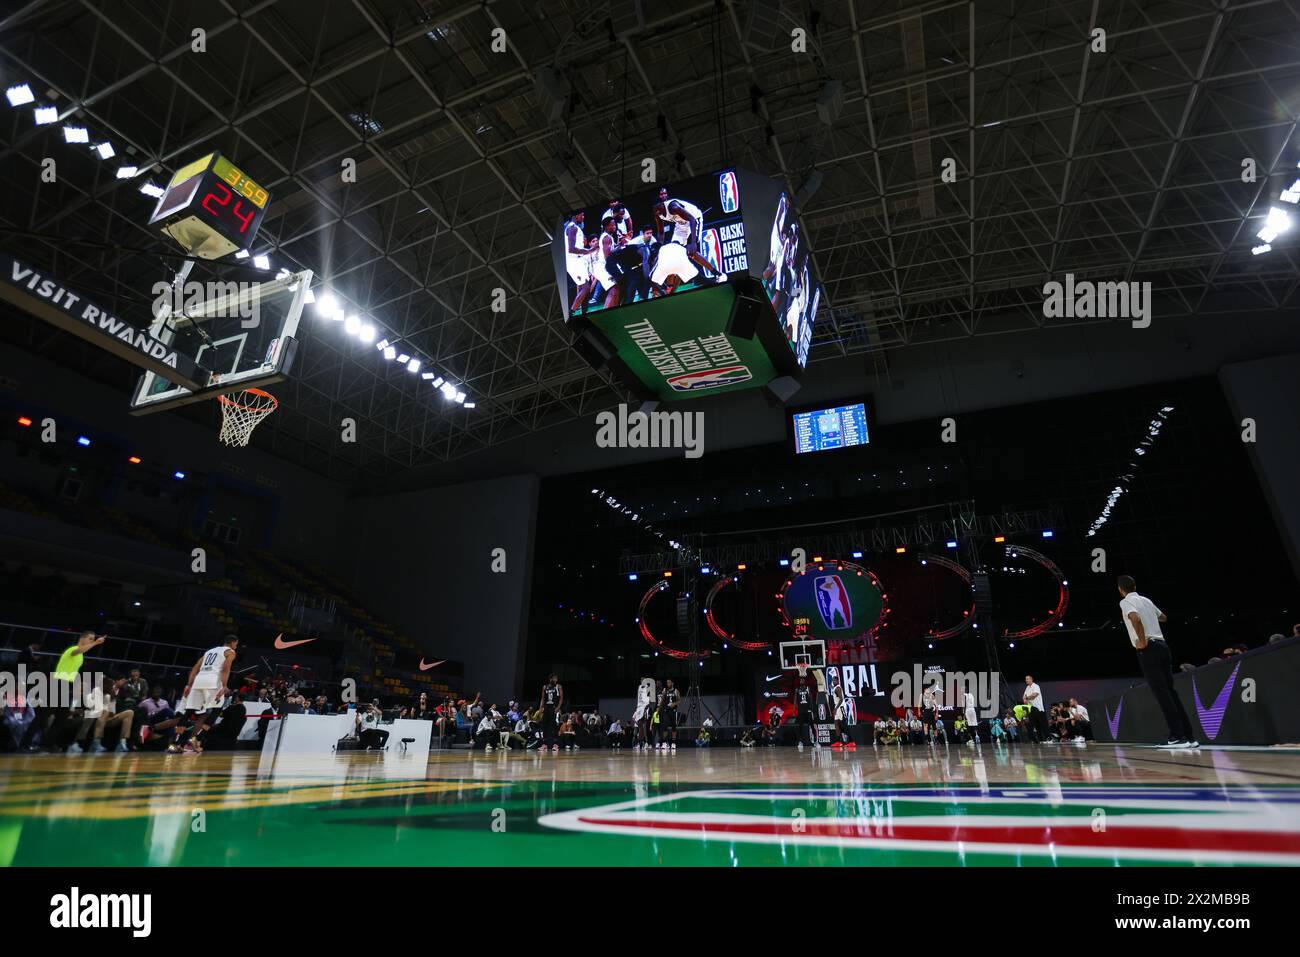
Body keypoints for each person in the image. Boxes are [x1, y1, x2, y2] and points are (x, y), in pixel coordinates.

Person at [1117, 575, 1198, 748]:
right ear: (1135, 586)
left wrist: (1142, 640)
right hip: (1162, 646)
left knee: (1162, 694)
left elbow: (1135, 618)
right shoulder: (1146, 600)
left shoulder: (1125, 602)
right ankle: (1189, 737)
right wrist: (1151, 618)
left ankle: (1177, 736)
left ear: (1121, 589)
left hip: (1149, 649)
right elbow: (1163, 617)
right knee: (1170, 692)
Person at [169, 635, 238, 754]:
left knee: (189, 712)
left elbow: (195, 668)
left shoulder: (210, 651)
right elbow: (225, 669)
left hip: (198, 681)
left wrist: (189, 685)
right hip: (213, 681)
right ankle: (196, 739)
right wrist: (224, 686)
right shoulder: (230, 652)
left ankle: (175, 744)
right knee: (216, 710)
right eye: (236, 644)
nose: (236, 646)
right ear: (232, 643)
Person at [70, 676, 133, 753]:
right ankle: (96, 742)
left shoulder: (109, 696)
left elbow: (112, 713)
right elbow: (97, 709)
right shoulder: (96, 690)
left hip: (105, 718)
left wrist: (112, 700)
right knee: (103, 711)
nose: (111, 688)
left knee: (130, 712)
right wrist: (107, 711)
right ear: (104, 685)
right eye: (110, 686)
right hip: (94, 716)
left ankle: (122, 743)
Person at [793, 676, 818, 750]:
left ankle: (816, 741)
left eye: (803, 680)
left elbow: (811, 698)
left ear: (805, 681)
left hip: (808, 710)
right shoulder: (797, 689)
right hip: (801, 710)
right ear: (799, 682)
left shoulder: (808, 688)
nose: (802, 681)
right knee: (800, 726)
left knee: (811, 725)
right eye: (800, 680)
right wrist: (794, 709)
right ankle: (800, 741)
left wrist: (812, 709)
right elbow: (795, 700)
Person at [540, 674, 563, 753]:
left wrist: (558, 708)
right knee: (544, 726)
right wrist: (541, 708)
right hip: (547, 708)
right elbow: (542, 698)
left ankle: (555, 745)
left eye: (556, 678)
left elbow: (561, 699)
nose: (556, 680)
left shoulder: (558, 687)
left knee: (555, 726)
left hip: (554, 708)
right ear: (550, 679)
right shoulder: (545, 687)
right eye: (554, 678)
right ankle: (544, 745)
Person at [1022, 675, 1049, 744]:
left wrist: (1027, 698)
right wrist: (1026, 698)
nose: (1026, 680)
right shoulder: (1027, 688)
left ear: (1031, 679)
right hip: (1031, 709)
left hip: (1038, 708)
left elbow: (1034, 695)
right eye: (1026, 679)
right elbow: (1024, 697)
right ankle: (1040, 739)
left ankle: (1049, 738)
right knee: (1035, 725)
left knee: (1043, 724)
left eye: (1027, 679)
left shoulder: (1036, 686)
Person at [657, 678, 682, 751]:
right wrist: (658, 711)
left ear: (672, 683)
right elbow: (662, 701)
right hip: (666, 711)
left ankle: (673, 743)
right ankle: (664, 743)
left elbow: (679, 701)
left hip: (673, 711)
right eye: (667, 683)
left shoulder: (676, 691)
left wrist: (674, 704)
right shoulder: (665, 690)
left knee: (674, 727)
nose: (668, 684)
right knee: (665, 726)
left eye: (669, 683)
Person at [632, 676, 655, 751]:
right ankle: (641, 742)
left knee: (645, 727)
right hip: (639, 707)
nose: (642, 681)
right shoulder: (639, 687)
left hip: (645, 708)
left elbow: (651, 698)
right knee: (640, 726)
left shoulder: (648, 688)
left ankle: (646, 743)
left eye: (643, 680)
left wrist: (647, 706)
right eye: (641, 680)